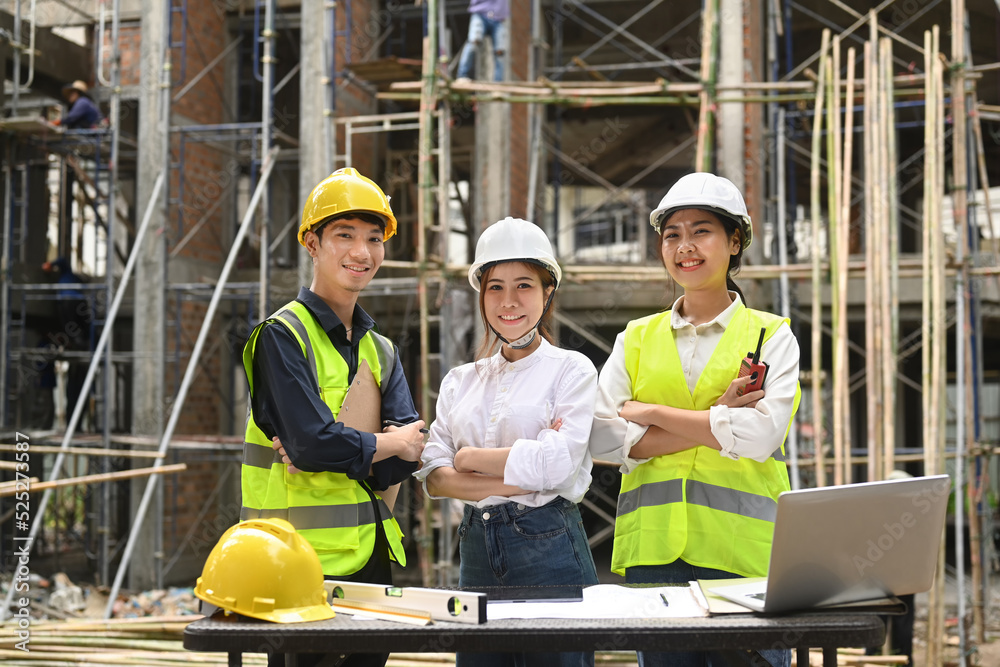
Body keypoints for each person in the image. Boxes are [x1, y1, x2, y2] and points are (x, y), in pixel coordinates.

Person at [589, 173, 801, 667]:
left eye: (701, 231)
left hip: (743, 557)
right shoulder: (635, 338)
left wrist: (651, 415)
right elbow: (600, 438)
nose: (684, 246)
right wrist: (717, 420)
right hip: (654, 557)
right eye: (672, 235)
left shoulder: (771, 336)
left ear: (735, 241)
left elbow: (760, 436)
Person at [240, 167, 426, 667]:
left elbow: (403, 460)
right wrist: (384, 443)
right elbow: (312, 445)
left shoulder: (382, 350)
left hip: (372, 561)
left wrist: (341, 446)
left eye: (373, 238)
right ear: (312, 243)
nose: (362, 252)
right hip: (296, 564)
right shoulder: (281, 336)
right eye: (345, 235)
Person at [415, 217, 599, 667]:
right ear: (481, 294)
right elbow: (435, 477)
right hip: (476, 549)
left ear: (547, 292)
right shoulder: (460, 381)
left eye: (524, 286)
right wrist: (529, 474)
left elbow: (558, 466)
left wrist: (468, 458)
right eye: (495, 287)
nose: (509, 301)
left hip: (550, 546)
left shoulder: (572, 370)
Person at [455, 0, 508, 83]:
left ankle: (498, 83)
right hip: (480, 13)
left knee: (500, 52)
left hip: (498, 17)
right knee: (473, 42)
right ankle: (462, 76)